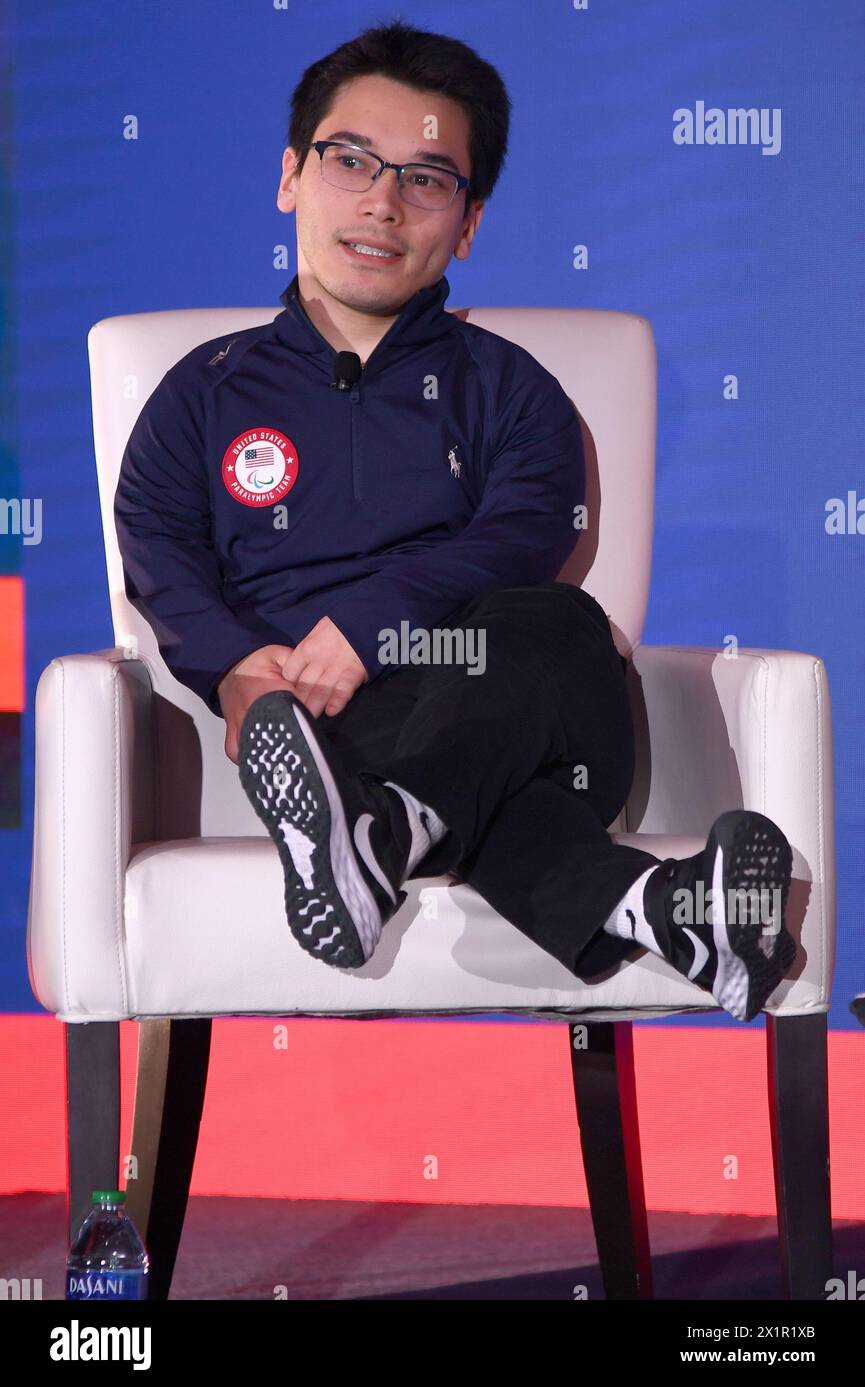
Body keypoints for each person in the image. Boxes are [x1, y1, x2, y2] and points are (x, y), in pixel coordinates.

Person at [114, 19, 796, 1023]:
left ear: (467, 223)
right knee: (500, 802)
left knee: (555, 624)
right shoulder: (200, 393)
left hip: (515, 698)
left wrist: (371, 626)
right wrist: (242, 673)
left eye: (427, 179)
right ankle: (671, 912)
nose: (383, 202)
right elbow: (159, 554)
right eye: (351, 161)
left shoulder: (512, 388)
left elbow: (527, 530)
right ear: (290, 178)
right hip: (324, 737)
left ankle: (376, 837)